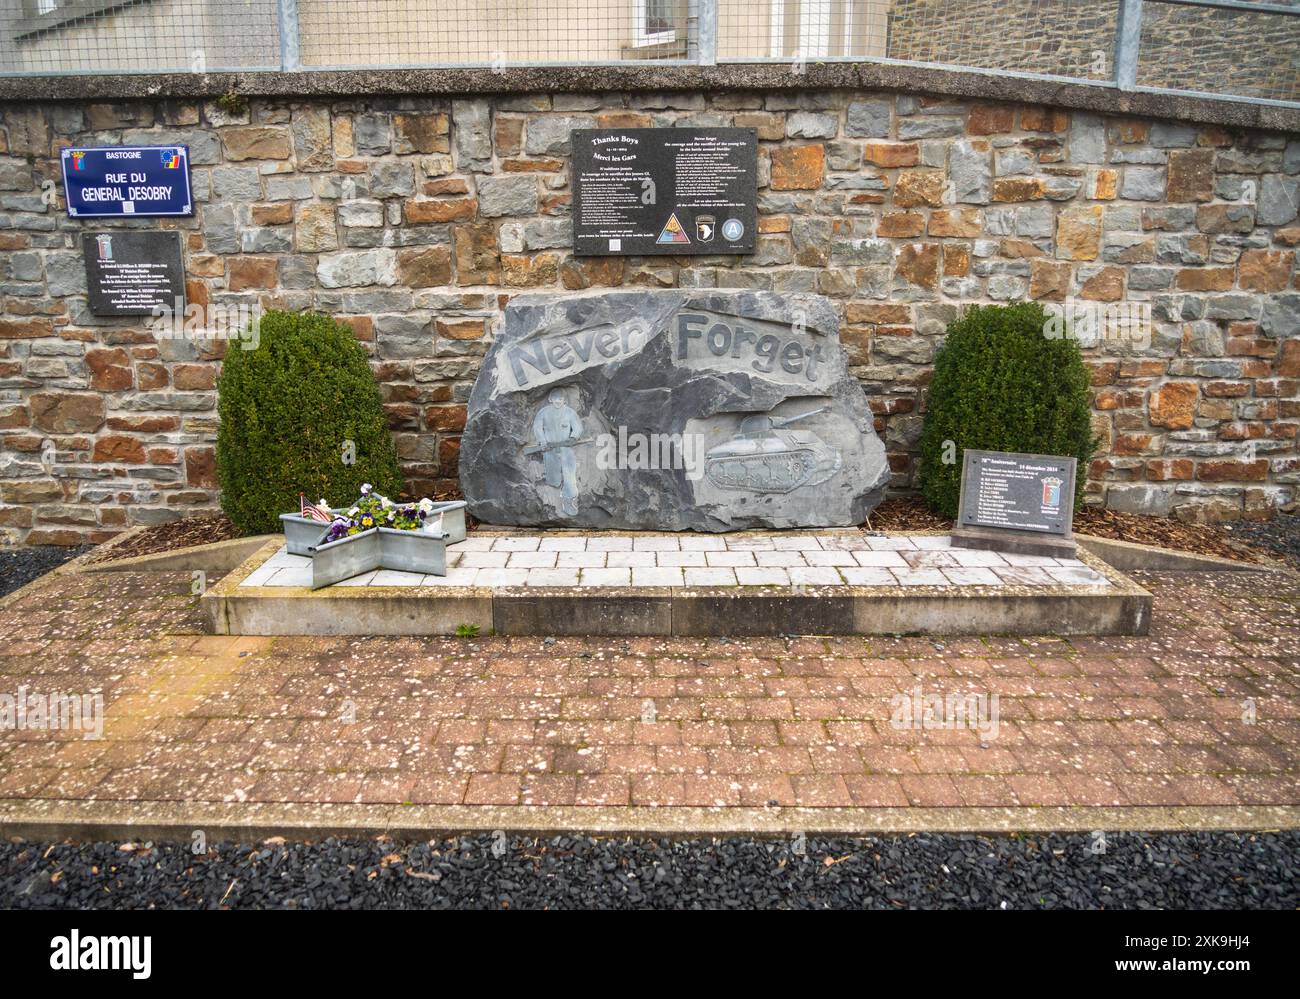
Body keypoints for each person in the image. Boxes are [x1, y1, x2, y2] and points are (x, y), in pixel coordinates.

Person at [531, 389, 583, 516]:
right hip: (550, 450)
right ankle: (552, 505)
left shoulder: (570, 413)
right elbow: (537, 427)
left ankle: (569, 501)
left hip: (566, 450)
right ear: (550, 399)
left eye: (560, 399)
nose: (558, 401)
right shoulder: (543, 412)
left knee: (570, 477)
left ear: (564, 400)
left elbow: (578, 426)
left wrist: (573, 437)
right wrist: (542, 441)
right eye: (555, 399)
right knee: (553, 479)